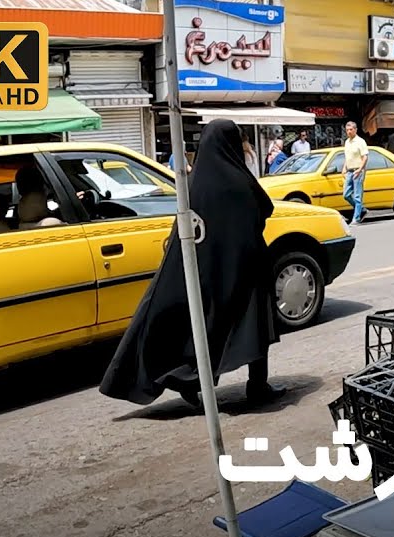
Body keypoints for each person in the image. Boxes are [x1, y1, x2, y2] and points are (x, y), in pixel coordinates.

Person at [100, 119, 284, 408]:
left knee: (208, 329)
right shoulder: (238, 181)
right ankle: (257, 386)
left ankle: (190, 380)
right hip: (245, 271)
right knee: (253, 328)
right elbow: (263, 210)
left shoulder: (194, 185)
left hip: (206, 274)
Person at [343, 121, 369, 225]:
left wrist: (360, 169)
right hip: (349, 171)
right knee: (346, 194)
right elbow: (348, 157)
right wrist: (344, 167)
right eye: (347, 130)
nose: (349, 132)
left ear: (355, 130)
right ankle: (361, 209)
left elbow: (365, 157)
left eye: (351, 130)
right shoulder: (347, 142)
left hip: (358, 170)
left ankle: (356, 218)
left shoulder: (360, 141)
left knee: (358, 196)